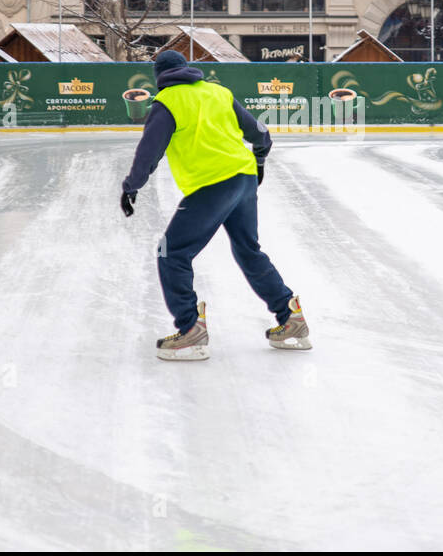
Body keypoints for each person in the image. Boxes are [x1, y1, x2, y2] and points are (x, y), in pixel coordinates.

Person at [120, 50, 311, 360]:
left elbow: (148, 152)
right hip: (244, 177)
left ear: (159, 78)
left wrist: (131, 187)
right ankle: (290, 318)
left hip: (212, 185)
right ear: (186, 68)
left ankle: (190, 329)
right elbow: (261, 134)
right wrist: (259, 161)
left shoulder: (167, 102)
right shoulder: (218, 91)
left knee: (172, 252)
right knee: (249, 250)